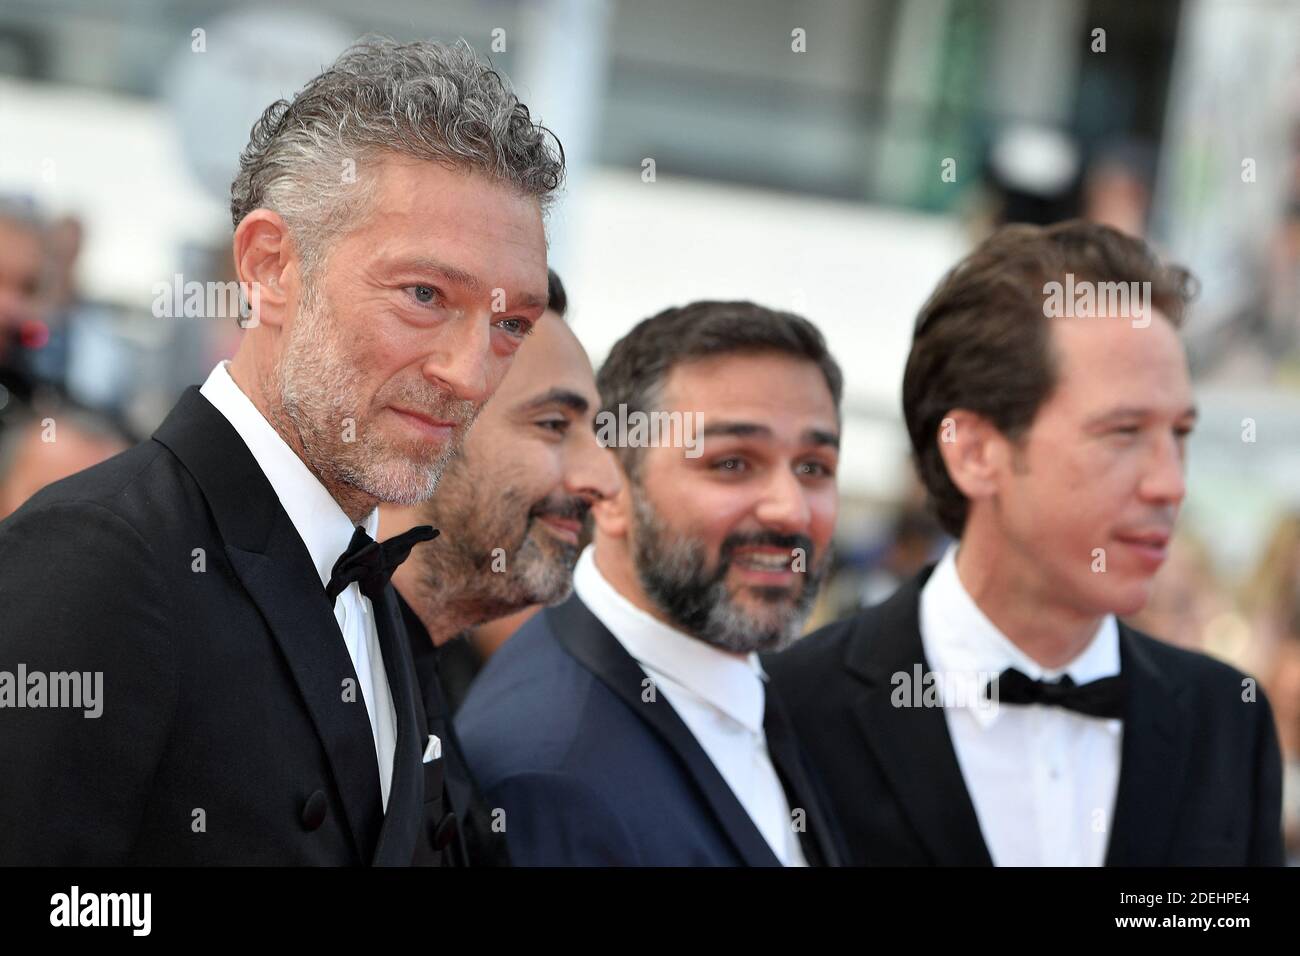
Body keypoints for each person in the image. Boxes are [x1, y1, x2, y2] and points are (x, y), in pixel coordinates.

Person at [0, 37, 561, 865]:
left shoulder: (374, 586)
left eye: (510, 323)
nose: (472, 373)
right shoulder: (101, 557)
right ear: (270, 267)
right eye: (423, 295)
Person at [767, 220, 1285, 866]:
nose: (1170, 484)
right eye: (1122, 433)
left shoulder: (1226, 726)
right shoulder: (794, 712)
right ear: (976, 453)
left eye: (1179, 434)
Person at [457, 301, 845, 865]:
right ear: (613, 487)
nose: (791, 510)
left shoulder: (778, 694)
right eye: (733, 463)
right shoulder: (546, 774)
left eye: (814, 467)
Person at [379, 268, 620, 864]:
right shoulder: (268, 670)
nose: (603, 478)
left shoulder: (417, 689)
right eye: (554, 425)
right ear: (422, 431)